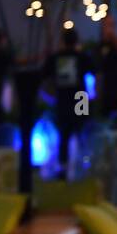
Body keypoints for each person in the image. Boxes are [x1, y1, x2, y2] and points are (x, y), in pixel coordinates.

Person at [41, 27, 94, 171]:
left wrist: (48, 97)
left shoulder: (56, 58)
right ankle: (84, 164)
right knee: (82, 132)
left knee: (63, 135)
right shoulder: (83, 57)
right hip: (81, 98)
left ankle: (63, 167)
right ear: (76, 41)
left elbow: (43, 79)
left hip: (63, 100)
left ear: (63, 41)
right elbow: (96, 74)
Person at [96, 15, 117, 118]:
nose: (108, 28)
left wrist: (112, 37)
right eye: (106, 25)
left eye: (111, 25)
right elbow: (97, 70)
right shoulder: (100, 46)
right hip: (103, 94)